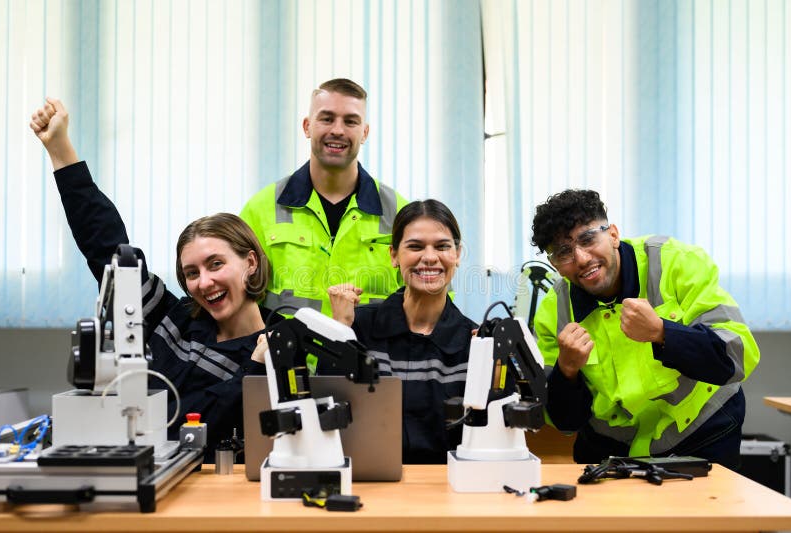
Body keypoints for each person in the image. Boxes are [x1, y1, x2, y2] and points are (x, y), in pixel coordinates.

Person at [30, 98, 273, 461]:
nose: (204, 282)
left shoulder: (273, 347)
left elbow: (206, 425)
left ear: (250, 262)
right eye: (191, 273)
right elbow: (105, 244)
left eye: (215, 264)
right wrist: (60, 150)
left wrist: (254, 371)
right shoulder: (172, 318)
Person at [530, 189, 760, 469]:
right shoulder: (555, 309)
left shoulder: (676, 262)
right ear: (554, 264)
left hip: (700, 433)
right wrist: (567, 372)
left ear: (613, 234)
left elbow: (737, 355)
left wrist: (664, 333)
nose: (581, 258)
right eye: (563, 252)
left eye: (588, 239)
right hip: (612, 447)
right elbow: (565, 422)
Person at [240, 78, 408, 319]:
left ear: (365, 133)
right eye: (327, 118)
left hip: (373, 356)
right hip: (284, 356)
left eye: (350, 121)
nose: (337, 130)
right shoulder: (259, 210)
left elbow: (431, 298)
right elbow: (240, 301)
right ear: (307, 126)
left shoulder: (400, 212)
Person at [329, 199, 475, 464]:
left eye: (442, 246)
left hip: (449, 489)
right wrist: (339, 330)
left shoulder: (475, 341)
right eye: (415, 246)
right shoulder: (357, 327)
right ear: (394, 255)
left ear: (458, 254)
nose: (430, 257)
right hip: (368, 483)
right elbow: (328, 414)